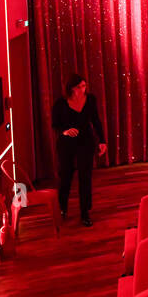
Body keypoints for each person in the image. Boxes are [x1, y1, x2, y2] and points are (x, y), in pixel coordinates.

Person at [52, 74, 107, 227]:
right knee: (65, 176)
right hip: (66, 143)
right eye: (79, 87)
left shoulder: (90, 100)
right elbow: (55, 124)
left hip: (86, 142)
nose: (82, 89)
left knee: (85, 177)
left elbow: (96, 120)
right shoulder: (60, 103)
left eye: (84, 86)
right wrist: (65, 131)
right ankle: (62, 208)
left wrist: (102, 140)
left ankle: (85, 212)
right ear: (71, 88)